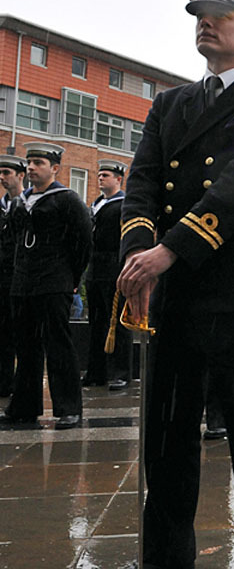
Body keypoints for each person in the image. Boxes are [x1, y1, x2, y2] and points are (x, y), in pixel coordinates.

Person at [116, 0, 234, 566]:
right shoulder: (170, 104)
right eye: (200, 15)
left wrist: (169, 250)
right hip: (178, 301)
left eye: (220, 16)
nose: (206, 24)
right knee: (167, 447)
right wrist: (139, 258)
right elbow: (142, 184)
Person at [1, 143, 91, 429]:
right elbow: (13, 243)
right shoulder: (20, 202)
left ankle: (68, 408)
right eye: (29, 162)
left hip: (54, 283)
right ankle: (24, 406)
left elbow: (83, 243)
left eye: (38, 163)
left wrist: (71, 279)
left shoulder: (66, 200)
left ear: (55, 168)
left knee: (58, 346)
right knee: (26, 347)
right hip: (23, 283)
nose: (31, 168)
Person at [83, 159, 131, 391]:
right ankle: (96, 371)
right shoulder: (96, 204)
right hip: (95, 270)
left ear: (118, 179)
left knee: (118, 324)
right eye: (99, 175)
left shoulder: (124, 205)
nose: (100, 178)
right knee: (96, 323)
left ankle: (121, 373)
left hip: (114, 268)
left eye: (106, 175)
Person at [0, 155, 25, 398]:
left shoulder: (27, 205)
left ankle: (22, 388)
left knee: (23, 335)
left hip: (22, 278)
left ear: (20, 175)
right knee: (3, 333)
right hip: (3, 278)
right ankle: (4, 382)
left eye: (7, 173)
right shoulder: (3, 206)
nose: (2, 177)